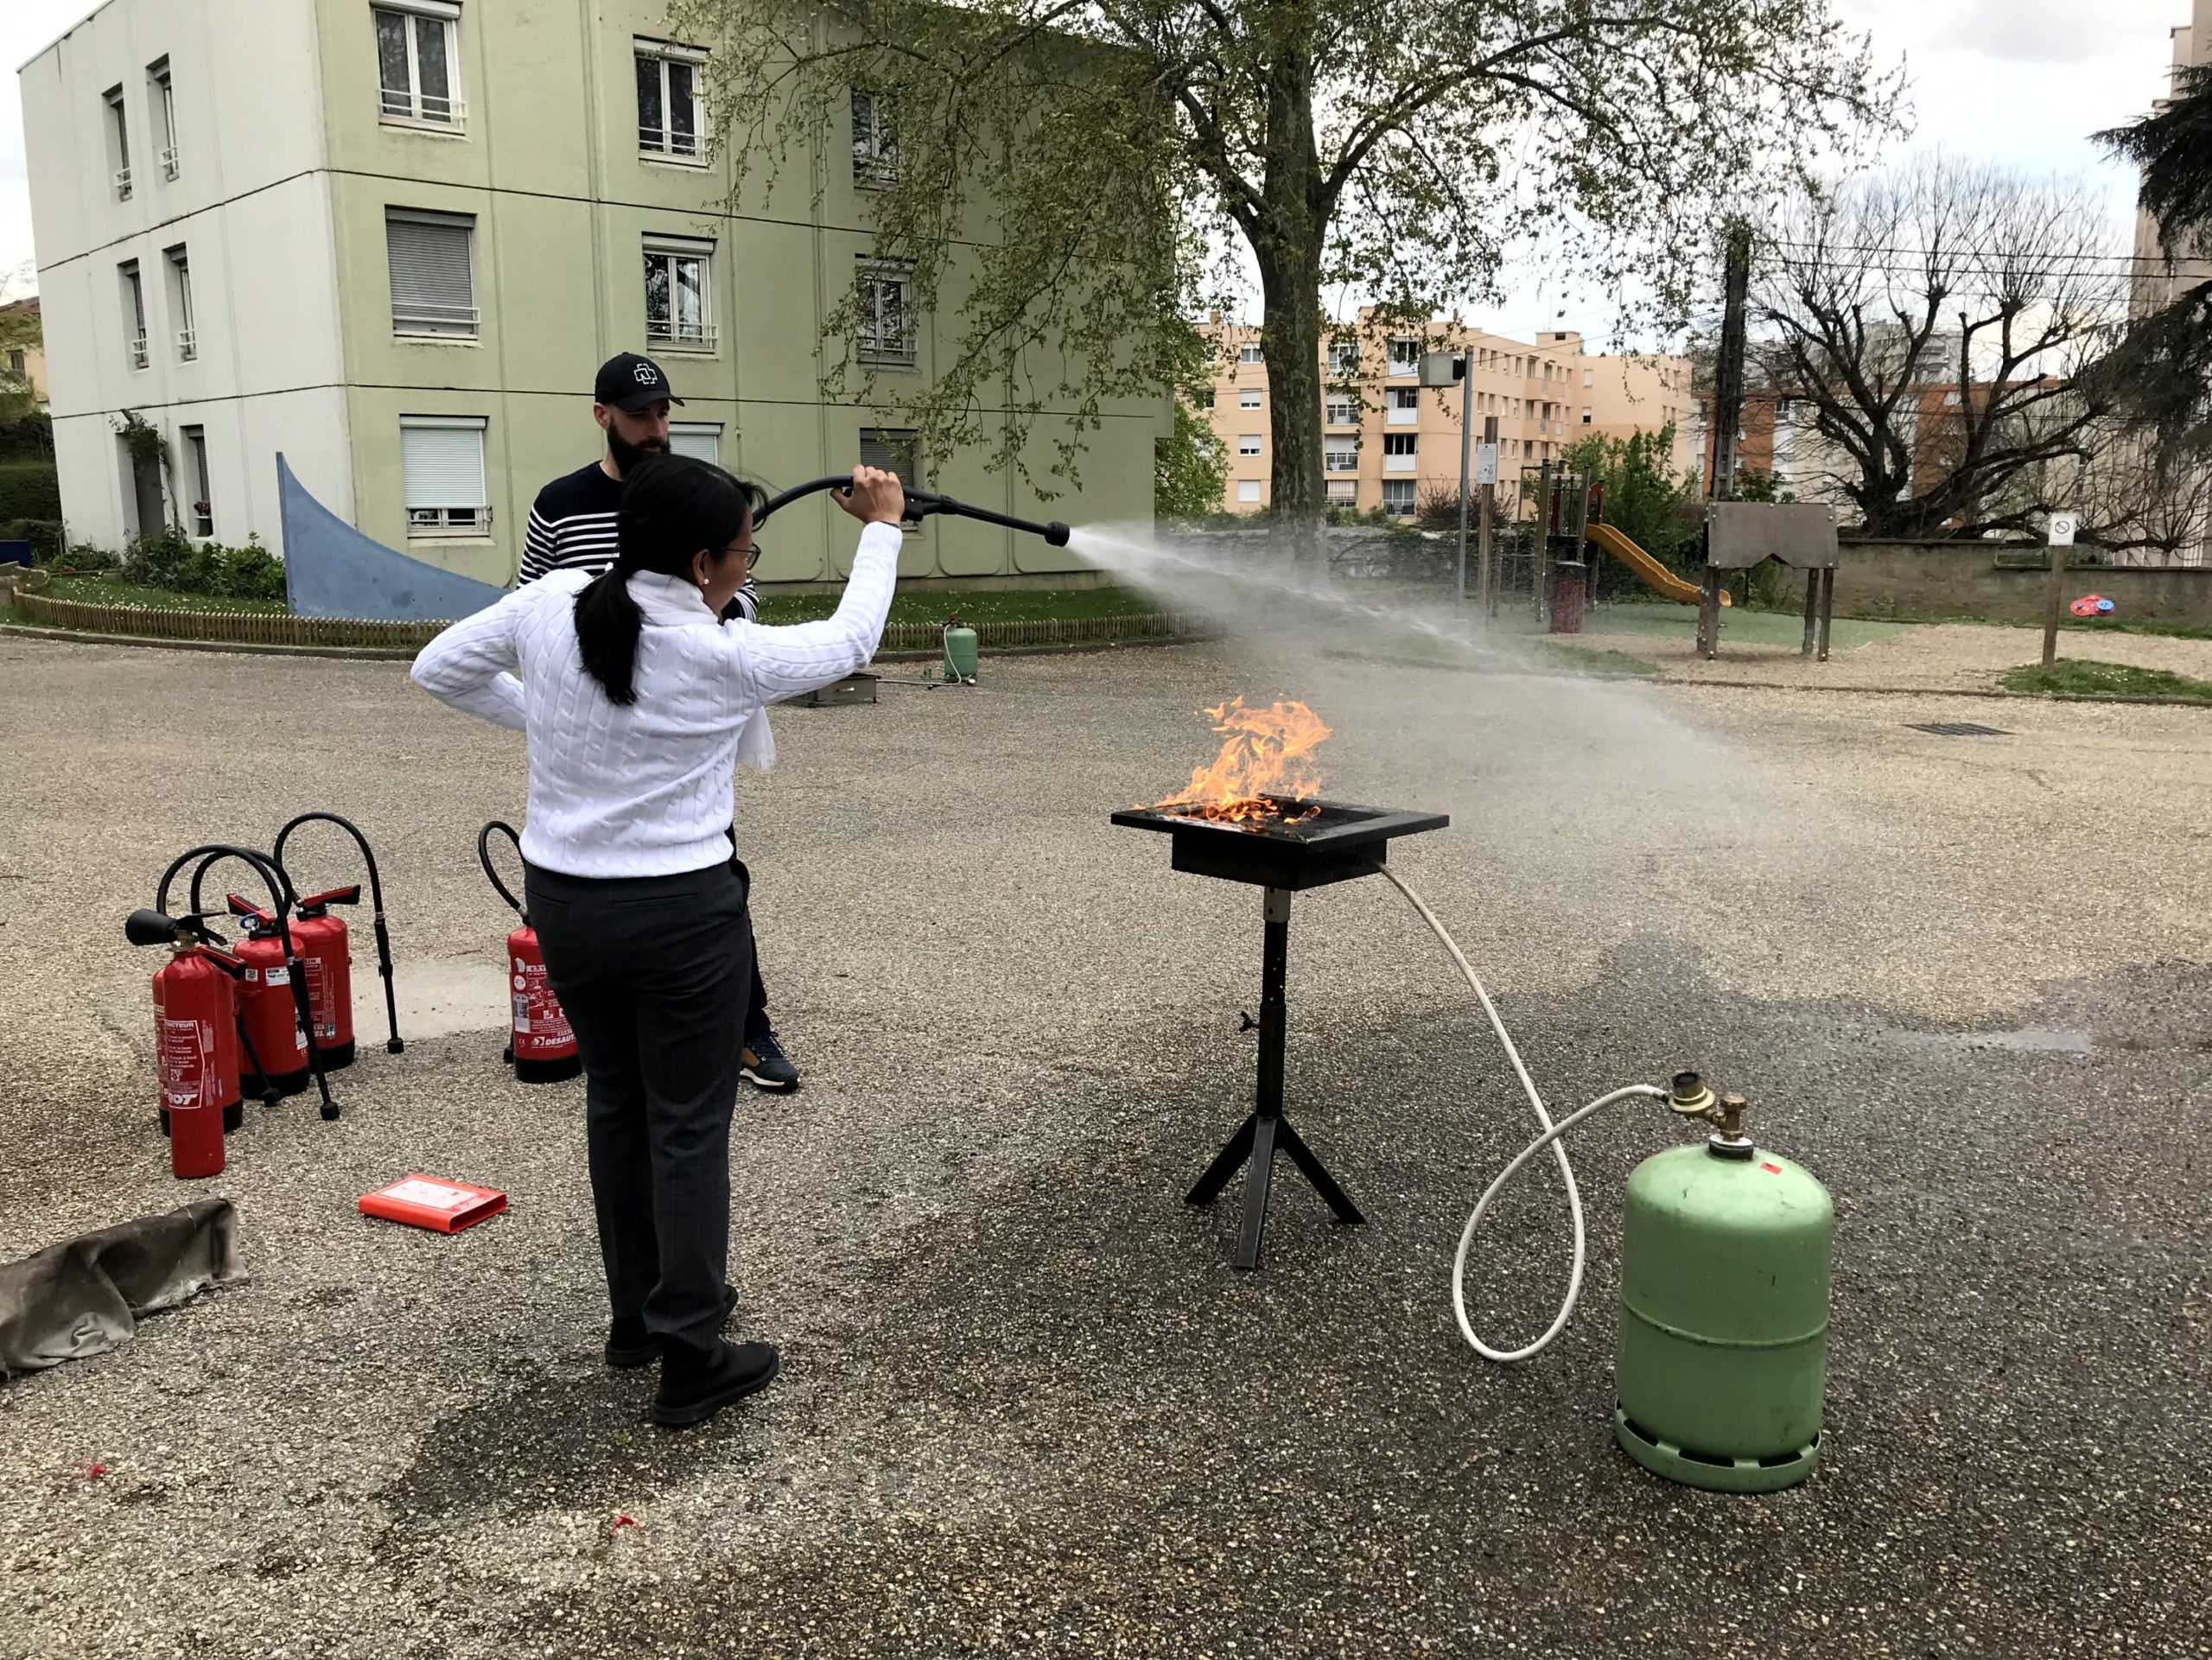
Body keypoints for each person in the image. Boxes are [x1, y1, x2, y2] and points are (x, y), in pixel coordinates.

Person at [411, 456, 906, 1427]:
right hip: (681, 910)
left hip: (565, 902)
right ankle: (691, 1351)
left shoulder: (552, 599)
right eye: (743, 552)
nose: (745, 566)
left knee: (619, 1103)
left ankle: (636, 1318)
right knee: (687, 1122)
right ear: (699, 561)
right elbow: (851, 641)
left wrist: (553, 724)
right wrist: (881, 524)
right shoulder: (723, 657)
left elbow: (437, 668)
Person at [517, 353, 800, 1095]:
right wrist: (544, 711)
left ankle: (746, 1027)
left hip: (679, 731)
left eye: (665, 413)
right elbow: (525, 610)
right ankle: (609, 1034)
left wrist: (709, 632)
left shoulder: (687, 492)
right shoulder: (560, 502)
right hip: (592, 732)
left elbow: (743, 591)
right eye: (642, 415)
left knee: (716, 876)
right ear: (602, 415)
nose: (658, 428)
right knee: (594, 891)